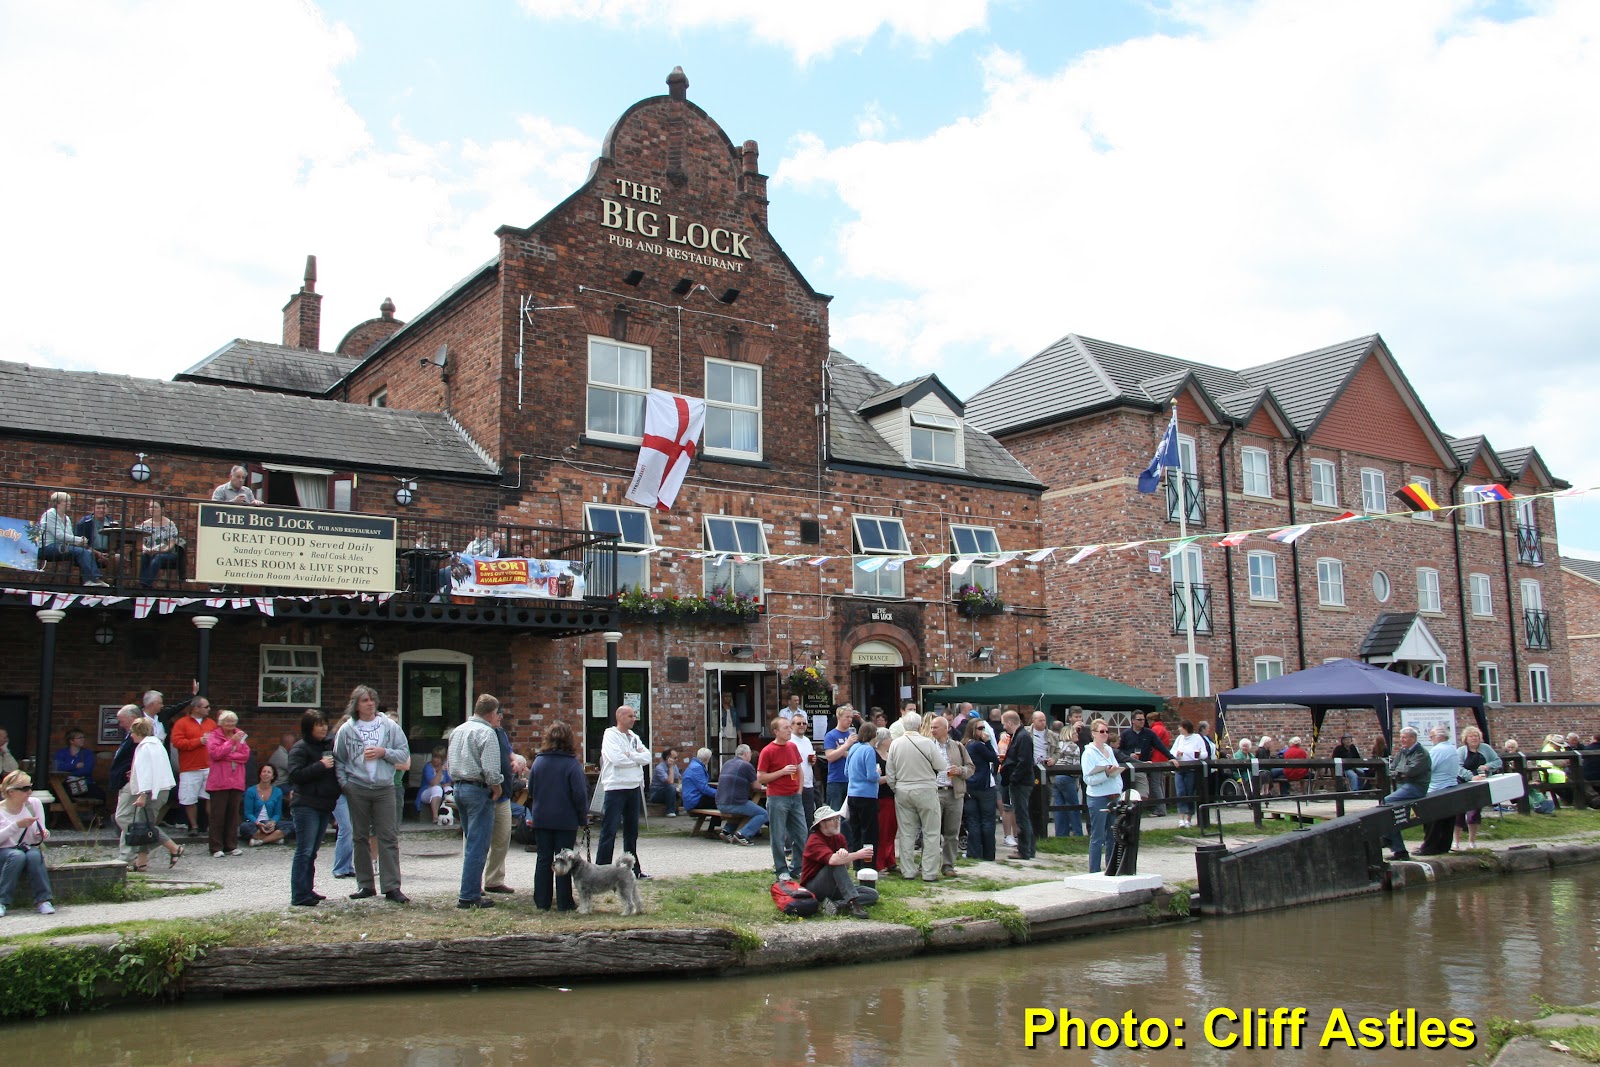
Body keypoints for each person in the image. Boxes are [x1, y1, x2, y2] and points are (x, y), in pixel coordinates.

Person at [334, 685, 411, 903]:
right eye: (365, 700)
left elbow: (403, 753)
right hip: (357, 786)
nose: (370, 703)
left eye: (372, 699)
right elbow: (339, 759)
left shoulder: (388, 726)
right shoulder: (347, 729)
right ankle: (365, 884)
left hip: (384, 786)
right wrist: (345, 784)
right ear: (356, 705)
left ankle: (392, 886)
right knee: (360, 836)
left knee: (388, 836)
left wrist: (383, 752)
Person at [447, 693, 505, 909]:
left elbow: (449, 762)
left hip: (459, 786)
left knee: (471, 840)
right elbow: (490, 770)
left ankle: (470, 887)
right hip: (477, 789)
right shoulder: (486, 733)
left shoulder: (458, 731)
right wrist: (497, 788)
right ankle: (469, 894)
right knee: (478, 845)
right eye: (497, 713)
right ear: (491, 713)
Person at [528, 720, 586, 911]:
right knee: (564, 859)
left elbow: (531, 790)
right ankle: (564, 902)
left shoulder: (538, 761)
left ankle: (542, 901)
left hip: (542, 817)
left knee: (543, 859)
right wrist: (582, 818)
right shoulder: (572, 764)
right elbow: (579, 794)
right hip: (565, 819)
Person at [886, 711, 947, 882]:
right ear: (920, 726)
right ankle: (929, 872)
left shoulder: (895, 744)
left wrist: (896, 788)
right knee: (931, 832)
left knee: (906, 833)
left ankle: (908, 870)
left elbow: (890, 772)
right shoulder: (927, 743)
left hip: (903, 789)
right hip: (926, 788)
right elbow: (941, 765)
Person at [287, 710, 340, 907]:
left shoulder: (327, 746)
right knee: (304, 850)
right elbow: (295, 775)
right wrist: (319, 766)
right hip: (306, 805)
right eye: (319, 725)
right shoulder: (300, 748)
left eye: (325, 724)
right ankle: (299, 894)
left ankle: (307, 889)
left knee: (313, 851)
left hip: (324, 804)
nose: (323, 728)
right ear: (309, 727)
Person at [595, 704, 651, 878]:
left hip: (633, 786)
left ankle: (633, 869)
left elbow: (647, 757)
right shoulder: (610, 735)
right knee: (609, 830)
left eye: (634, 716)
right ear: (620, 717)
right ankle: (601, 870)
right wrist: (636, 758)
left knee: (631, 831)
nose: (634, 719)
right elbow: (617, 759)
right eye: (630, 716)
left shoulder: (633, 736)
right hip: (616, 787)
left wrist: (631, 755)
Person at [123, 717, 182, 871]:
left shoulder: (144, 747)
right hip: (161, 790)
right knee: (144, 825)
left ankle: (174, 848)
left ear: (138, 732)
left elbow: (146, 773)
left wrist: (143, 794)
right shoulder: (157, 745)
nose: (131, 736)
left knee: (145, 827)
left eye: (132, 732)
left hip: (151, 792)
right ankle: (141, 863)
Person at [799, 806, 878, 918]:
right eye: (833, 820)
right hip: (813, 887)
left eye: (838, 819)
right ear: (822, 824)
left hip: (834, 886)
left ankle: (838, 904)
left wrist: (845, 855)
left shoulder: (839, 837)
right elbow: (833, 861)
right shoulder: (814, 840)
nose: (837, 823)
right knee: (836, 863)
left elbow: (846, 866)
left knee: (872, 894)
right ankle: (854, 904)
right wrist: (858, 854)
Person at [757, 715, 807, 883]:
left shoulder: (792, 747)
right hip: (777, 798)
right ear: (776, 732)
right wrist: (782, 772)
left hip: (795, 797)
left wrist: (799, 790)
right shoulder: (768, 751)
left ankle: (797, 867)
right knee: (778, 836)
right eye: (785, 728)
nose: (789, 730)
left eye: (789, 727)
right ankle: (781, 869)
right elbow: (761, 777)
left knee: (801, 834)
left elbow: (799, 769)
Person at [0, 771, 55, 917]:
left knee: (34, 855)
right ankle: (2, 901)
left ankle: (43, 900)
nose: (29, 792)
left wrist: (43, 834)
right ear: (11, 791)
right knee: (16, 855)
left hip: (27, 847)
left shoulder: (34, 804)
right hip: (4, 851)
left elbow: (41, 830)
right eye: (24, 789)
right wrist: (16, 825)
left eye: (30, 787)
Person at [930, 713, 973, 877]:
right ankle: (929, 864)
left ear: (945, 729)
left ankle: (948, 865)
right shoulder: (928, 746)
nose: (932, 730)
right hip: (935, 792)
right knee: (932, 831)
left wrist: (960, 771)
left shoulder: (958, 746)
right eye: (932, 727)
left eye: (936, 727)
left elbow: (970, 767)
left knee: (952, 832)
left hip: (954, 793)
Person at [483, 707, 520, 895]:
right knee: (478, 840)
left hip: (504, 793)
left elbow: (509, 752)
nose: (500, 718)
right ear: (490, 714)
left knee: (503, 838)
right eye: (498, 714)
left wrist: (514, 761)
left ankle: (494, 879)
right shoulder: (480, 732)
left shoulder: (500, 732)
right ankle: (473, 881)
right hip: (484, 793)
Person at [205, 710, 251, 857]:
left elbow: (245, 755)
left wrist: (228, 755)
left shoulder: (241, 735)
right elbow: (215, 754)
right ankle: (216, 847)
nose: (230, 724)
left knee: (233, 814)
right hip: (219, 781)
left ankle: (231, 845)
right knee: (218, 815)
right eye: (227, 721)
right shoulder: (214, 736)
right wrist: (231, 743)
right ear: (221, 723)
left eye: (232, 721)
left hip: (236, 780)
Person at [1082, 718, 1125, 873]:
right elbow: (1088, 779)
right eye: (1101, 731)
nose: (1105, 734)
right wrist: (1106, 774)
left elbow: (1114, 770)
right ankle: (1094, 870)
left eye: (1107, 731)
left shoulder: (1108, 749)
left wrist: (1116, 778)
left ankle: (1111, 867)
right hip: (1098, 797)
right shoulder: (1089, 753)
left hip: (1114, 795)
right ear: (1093, 733)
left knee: (1114, 834)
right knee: (1097, 836)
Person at [1382, 726, 1431, 860]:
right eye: (1401, 737)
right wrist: (1400, 772)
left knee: (1386, 802)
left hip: (1415, 787)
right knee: (1391, 815)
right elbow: (1392, 768)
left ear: (1412, 738)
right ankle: (1400, 851)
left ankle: (1386, 838)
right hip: (1402, 786)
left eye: (1404, 737)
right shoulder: (1402, 752)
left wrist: (1401, 772)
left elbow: (1411, 771)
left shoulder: (1422, 753)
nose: (1401, 740)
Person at [37, 491, 106, 586]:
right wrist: (78, 540)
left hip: (61, 547)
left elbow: (69, 535)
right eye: (66, 501)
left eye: (69, 501)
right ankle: (94, 579)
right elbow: (59, 535)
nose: (69, 503)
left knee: (86, 552)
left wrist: (80, 542)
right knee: (81, 552)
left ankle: (89, 581)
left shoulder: (66, 518)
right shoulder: (50, 515)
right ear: (57, 503)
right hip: (47, 547)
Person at [170, 696, 215, 837]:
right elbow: (177, 742)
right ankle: (193, 826)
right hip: (190, 767)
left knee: (209, 797)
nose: (209, 709)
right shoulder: (181, 723)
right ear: (196, 708)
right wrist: (198, 741)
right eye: (206, 707)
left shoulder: (212, 723)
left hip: (208, 766)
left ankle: (210, 825)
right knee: (189, 798)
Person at [1455, 726, 1502, 849]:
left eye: (1476, 735)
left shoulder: (1486, 748)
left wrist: (1487, 766)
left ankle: (1471, 841)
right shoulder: (1461, 751)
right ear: (1466, 738)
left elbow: (1498, 761)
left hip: (1480, 784)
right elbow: (1458, 767)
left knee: (1474, 812)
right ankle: (1456, 842)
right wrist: (1470, 776)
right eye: (1471, 736)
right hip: (1463, 783)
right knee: (1458, 812)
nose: (1474, 738)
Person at [1417, 725, 1461, 856]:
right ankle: (1444, 846)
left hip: (1437, 789)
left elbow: (1428, 768)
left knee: (1432, 822)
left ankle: (1429, 847)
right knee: (1447, 821)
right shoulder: (1453, 749)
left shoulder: (1437, 750)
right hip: (1451, 787)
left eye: (1431, 736)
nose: (1430, 739)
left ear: (1439, 737)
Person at [999, 710, 1036, 860]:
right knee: (1022, 815)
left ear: (1009, 722)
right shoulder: (1019, 736)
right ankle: (1028, 849)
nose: (1003, 727)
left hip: (1021, 782)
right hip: (1019, 781)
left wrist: (1013, 778)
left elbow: (1024, 761)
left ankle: (1025, 850)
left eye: (1004, 724)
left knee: (1021, 816)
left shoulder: (1023, 737)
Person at [844, 722, 882, 862]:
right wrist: (877, 773)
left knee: (856, 830)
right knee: (869, 832)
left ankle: (856, 863)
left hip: (852, 793)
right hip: (867, 795)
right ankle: (868, 863)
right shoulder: (869, 750)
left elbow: (846, 771)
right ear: (873, 735)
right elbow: (871, 776)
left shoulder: (854, 747)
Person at [963, 718, 1000, 860]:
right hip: (983, 785)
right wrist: (988, 742)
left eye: (983, 728)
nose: (983, 731)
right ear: (973, 729)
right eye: (979, 728)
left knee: (973, 820)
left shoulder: (965, 744)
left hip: (970, 784)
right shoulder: (978, 745)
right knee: (986, 820)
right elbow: (994, 758)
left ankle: (974, 852)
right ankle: (988, 853)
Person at [715, 743, 766, 844]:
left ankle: (727, 831)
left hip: (720, 803)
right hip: (735, 803)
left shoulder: (727, 763)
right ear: (747, 754)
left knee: (748, 808)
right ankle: (743, 834)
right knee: (763, 813)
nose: (751, 757)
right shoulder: (747, 765)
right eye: (750, 754)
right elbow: (757, 787)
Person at [1169, 720, 1208, 829]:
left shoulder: (1197, 738)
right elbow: (1172, 751)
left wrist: (1199, 755)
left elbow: (1205, 754)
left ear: (1186, 728)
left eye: (1180, 727)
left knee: (1190, 792)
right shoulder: (1180, 738)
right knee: (1180, 792)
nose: (1179, 729)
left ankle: (1189, 819)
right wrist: (1176, 754)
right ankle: (1181, 818)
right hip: (1179, 768)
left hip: (1191, 769)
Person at [135, 500, 182, 587]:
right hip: (149, 551)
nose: (152, 509)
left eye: (155, 507)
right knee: (142, 557)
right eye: (150, 507)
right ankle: (141, 584)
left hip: (166, 553)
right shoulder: (145, 524)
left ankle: (144, 585)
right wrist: (145, 548)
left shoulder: (170, 524)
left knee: (158, 558)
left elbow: (171, 543)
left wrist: (162, 550)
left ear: (162, 509)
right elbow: (141, 541)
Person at [52, 727, 103, 803]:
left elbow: (87, 770)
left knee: (97, 794)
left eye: (83, 737)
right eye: (79, 738)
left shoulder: (87, 753)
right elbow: (57, 767)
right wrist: (75, 766)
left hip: (85, 785)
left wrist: (68, 774)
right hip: (66, 784)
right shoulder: (62, 753)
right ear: (71, 741)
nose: (83, 739)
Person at [241, 764, 288, 846]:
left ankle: (261, 841)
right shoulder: (251, 791)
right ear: (260, 774)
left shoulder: (277, 791)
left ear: (273, 776)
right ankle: (275, 838)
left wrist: (273, 822)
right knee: (244, 827)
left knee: (291, 825)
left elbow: (277, 813)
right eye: (264, 772)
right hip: (255, 823)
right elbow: (248, 813)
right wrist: (258, 823)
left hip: (270, 823)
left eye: (269, 772)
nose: (266, 774)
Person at [1051, 719, 1084, 837]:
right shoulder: (1074, 747)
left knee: (1059, 807)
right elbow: (1075, 766)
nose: (1077, 735)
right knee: (1073, 806)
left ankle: (1061, 834)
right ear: (1069, 734)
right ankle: (1078, 832)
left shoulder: (1058, 745)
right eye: (1075, 733)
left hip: (1056, 777)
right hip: (1068, 777)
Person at [823, 707, 857, 811]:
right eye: (847, 717)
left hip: (852, 780)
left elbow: (856, 757)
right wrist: (846, 745)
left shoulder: (853, 736)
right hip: (836, 780)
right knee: (835, 813)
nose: (849, 720)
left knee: (850, 814)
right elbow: (830, 757)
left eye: (851, 717)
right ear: (839, 717)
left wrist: (841, 752)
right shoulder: (831, 735)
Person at [873, 731, 898, 870]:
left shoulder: (890, 755)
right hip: (881, 797)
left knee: (892, 829)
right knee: (883, 830)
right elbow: (876, 779)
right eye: (889, 737)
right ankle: (880, 861)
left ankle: (890, 859)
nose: (891, 739)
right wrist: (891, 777)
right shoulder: (875, 755)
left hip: (892, 795)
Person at [790, 711, 817, 828]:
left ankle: (806, 844)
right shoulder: (790, 741)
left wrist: (813, 760)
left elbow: (808, 759)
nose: (802, 725)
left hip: (809, 783)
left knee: (808, 815)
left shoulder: (807, 740)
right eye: (798, 723)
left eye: (804, 723)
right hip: (795, 784)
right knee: (795, 817)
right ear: (791, 726)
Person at [74, 497, 114, 573]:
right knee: (88, 554)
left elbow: (117, 542)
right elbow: (79, 543)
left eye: (104, 508)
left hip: (107, 552)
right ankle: (93, 581)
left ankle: (112, 583)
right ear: (93, 509)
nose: (101, 510)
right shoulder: (85, 522)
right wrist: (98, 554)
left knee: (117, 558)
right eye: (98, 508)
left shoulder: (112, 523)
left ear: (108, 510)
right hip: (90, 550)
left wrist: (108, 554)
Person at [1146, 713, 1173, 816]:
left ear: (1152, 720)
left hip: (1156, 760)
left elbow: (1151, 744)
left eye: (1148, 721)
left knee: (1155, 785)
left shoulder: (1155, 730)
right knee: (1159, 784)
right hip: (1162, 759)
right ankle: (1162, 807)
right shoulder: (1162, 728)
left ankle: (1160, 809)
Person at [417, 746, 453, 823]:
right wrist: (440, 771)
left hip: (440, 791)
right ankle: (435, 816)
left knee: (449, 789)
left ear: (443, 759)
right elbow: (433, 783)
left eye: (438, 758)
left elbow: (449, 782)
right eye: (434, 757)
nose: (435, 759)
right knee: (437, 788)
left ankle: (450, 814)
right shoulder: (428, 767)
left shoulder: (445, 767)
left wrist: (445, 785)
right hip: (426, 792)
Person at [650, 747, 682, 817]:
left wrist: (680, 786)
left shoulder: (674, 766)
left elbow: (678, 778)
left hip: (669, 791)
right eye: (675, 758)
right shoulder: (660, 768)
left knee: (679, 788)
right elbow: (670, 782)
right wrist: (670, 767)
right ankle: (670, 811)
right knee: (671, 787)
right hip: (656, 794)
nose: (677, 759)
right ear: (668, 758)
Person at [681, 748, 715, 812]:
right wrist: (720, 794)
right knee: (721, 802)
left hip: (692, 798)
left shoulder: (695, 765)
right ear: (707, 759)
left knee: (718, 801)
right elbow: (704, 789)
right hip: (695, 800)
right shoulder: (697, 768)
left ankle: (715, 822)